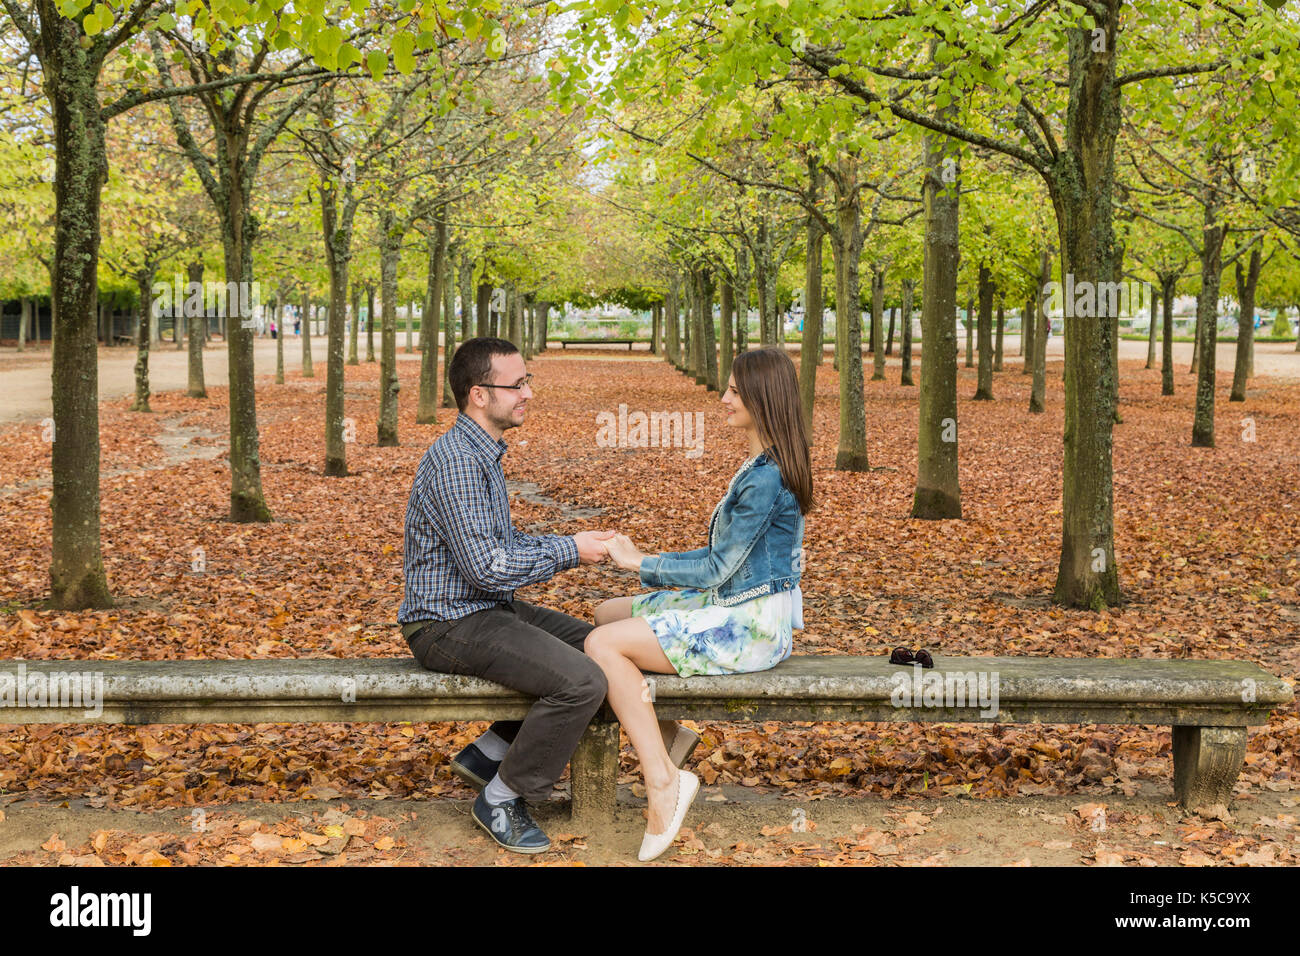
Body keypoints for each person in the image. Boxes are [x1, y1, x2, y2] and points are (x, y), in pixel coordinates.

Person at [397, 337, 692, 855]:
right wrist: (570, 551)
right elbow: (489, 569)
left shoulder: (480, 452)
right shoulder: (457, 463)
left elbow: (502, 547)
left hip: (485, 609)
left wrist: (575, 543)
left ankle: (490, 751)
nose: (528, 392)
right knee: (583, 681)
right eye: (517, 384)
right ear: (479, 395)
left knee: (602, 642)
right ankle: (502, 796)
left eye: (527, 380)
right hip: (445, 624)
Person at [584, 347, 813, 861]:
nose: (724, 397)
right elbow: (719, 560)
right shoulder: (761, 465)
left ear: (762, 397)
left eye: (734, 390)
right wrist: (642, 559)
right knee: (607, 616)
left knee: (602, 645)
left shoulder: (767, 478)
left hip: (748, 625)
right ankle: (666, 733)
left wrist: (639, 562)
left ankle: (664, 780)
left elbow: (716, 569)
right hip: (731, 602)